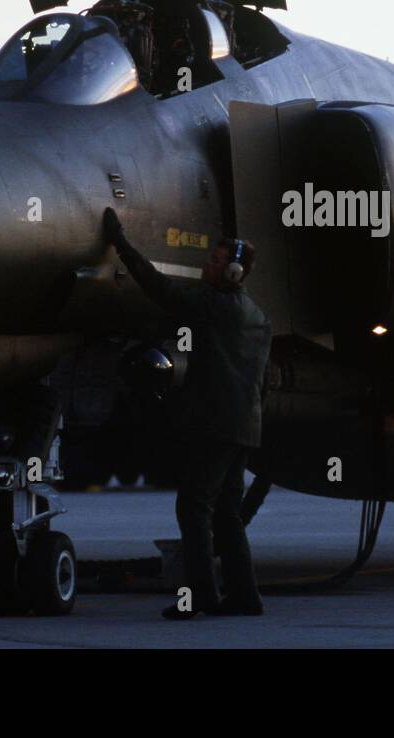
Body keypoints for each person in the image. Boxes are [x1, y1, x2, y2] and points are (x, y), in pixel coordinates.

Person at [102, 208, 271, 619]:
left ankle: (198, 598)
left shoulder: (213, 306)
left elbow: (158, 288)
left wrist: (121, 244)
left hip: (213, 426)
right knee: (229, 514)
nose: (206, 266)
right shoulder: (259, 317)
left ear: (233, 272)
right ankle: (245, 597)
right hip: (244, 428)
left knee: (194, 508)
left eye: (214, 262)